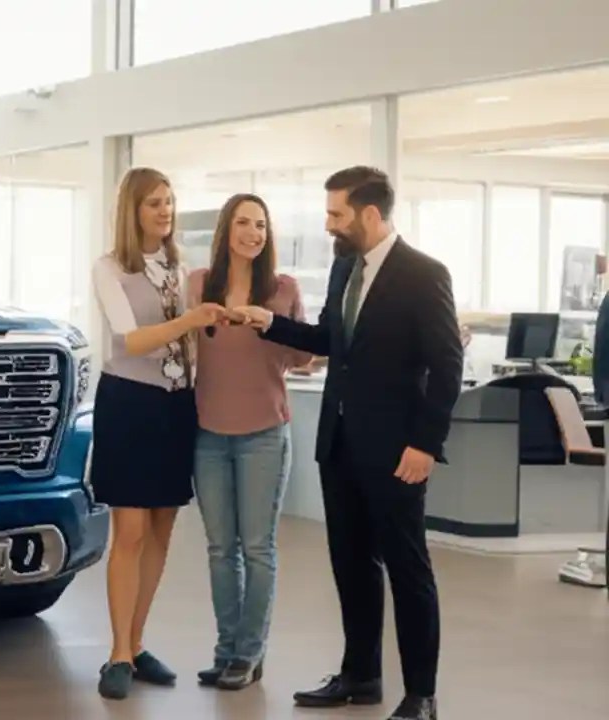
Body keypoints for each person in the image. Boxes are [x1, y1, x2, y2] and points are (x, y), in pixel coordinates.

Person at [234, 166, 462, 720]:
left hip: (397, 452)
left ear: (370, 214)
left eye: (337, 214)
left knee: (408, 569)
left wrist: (425, 444)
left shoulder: (424, 273)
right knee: (352, 565)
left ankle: (422, 695)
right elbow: (331, 341)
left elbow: (447, 364)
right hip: (339, 445)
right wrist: (270, 322)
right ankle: (360, 676)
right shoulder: (344, 268)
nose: (329, 224)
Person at [89, 167, 228, 700]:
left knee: (162, 530)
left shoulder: (179, 267)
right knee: (129, 531)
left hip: (175, 405)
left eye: (169, 201)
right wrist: (190, 321)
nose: (165, 211)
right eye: (154, 203)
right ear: (133, 210)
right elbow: (131, 339)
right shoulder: (109, 268)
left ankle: (136, 642)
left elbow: (192, 343)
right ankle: (117, 653)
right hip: (129, 404)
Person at [187, 193, 313, 691]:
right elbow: (182, 347)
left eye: (260, 225)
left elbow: (304, 357)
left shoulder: (283, 289)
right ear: (227, 230)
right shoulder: (199, 285)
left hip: (264, 432)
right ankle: (226, 651)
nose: (253, 233)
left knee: (257, 548)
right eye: (243, 223)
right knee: (221, 549)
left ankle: (249, 652)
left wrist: (270, 324)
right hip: (208, 434)